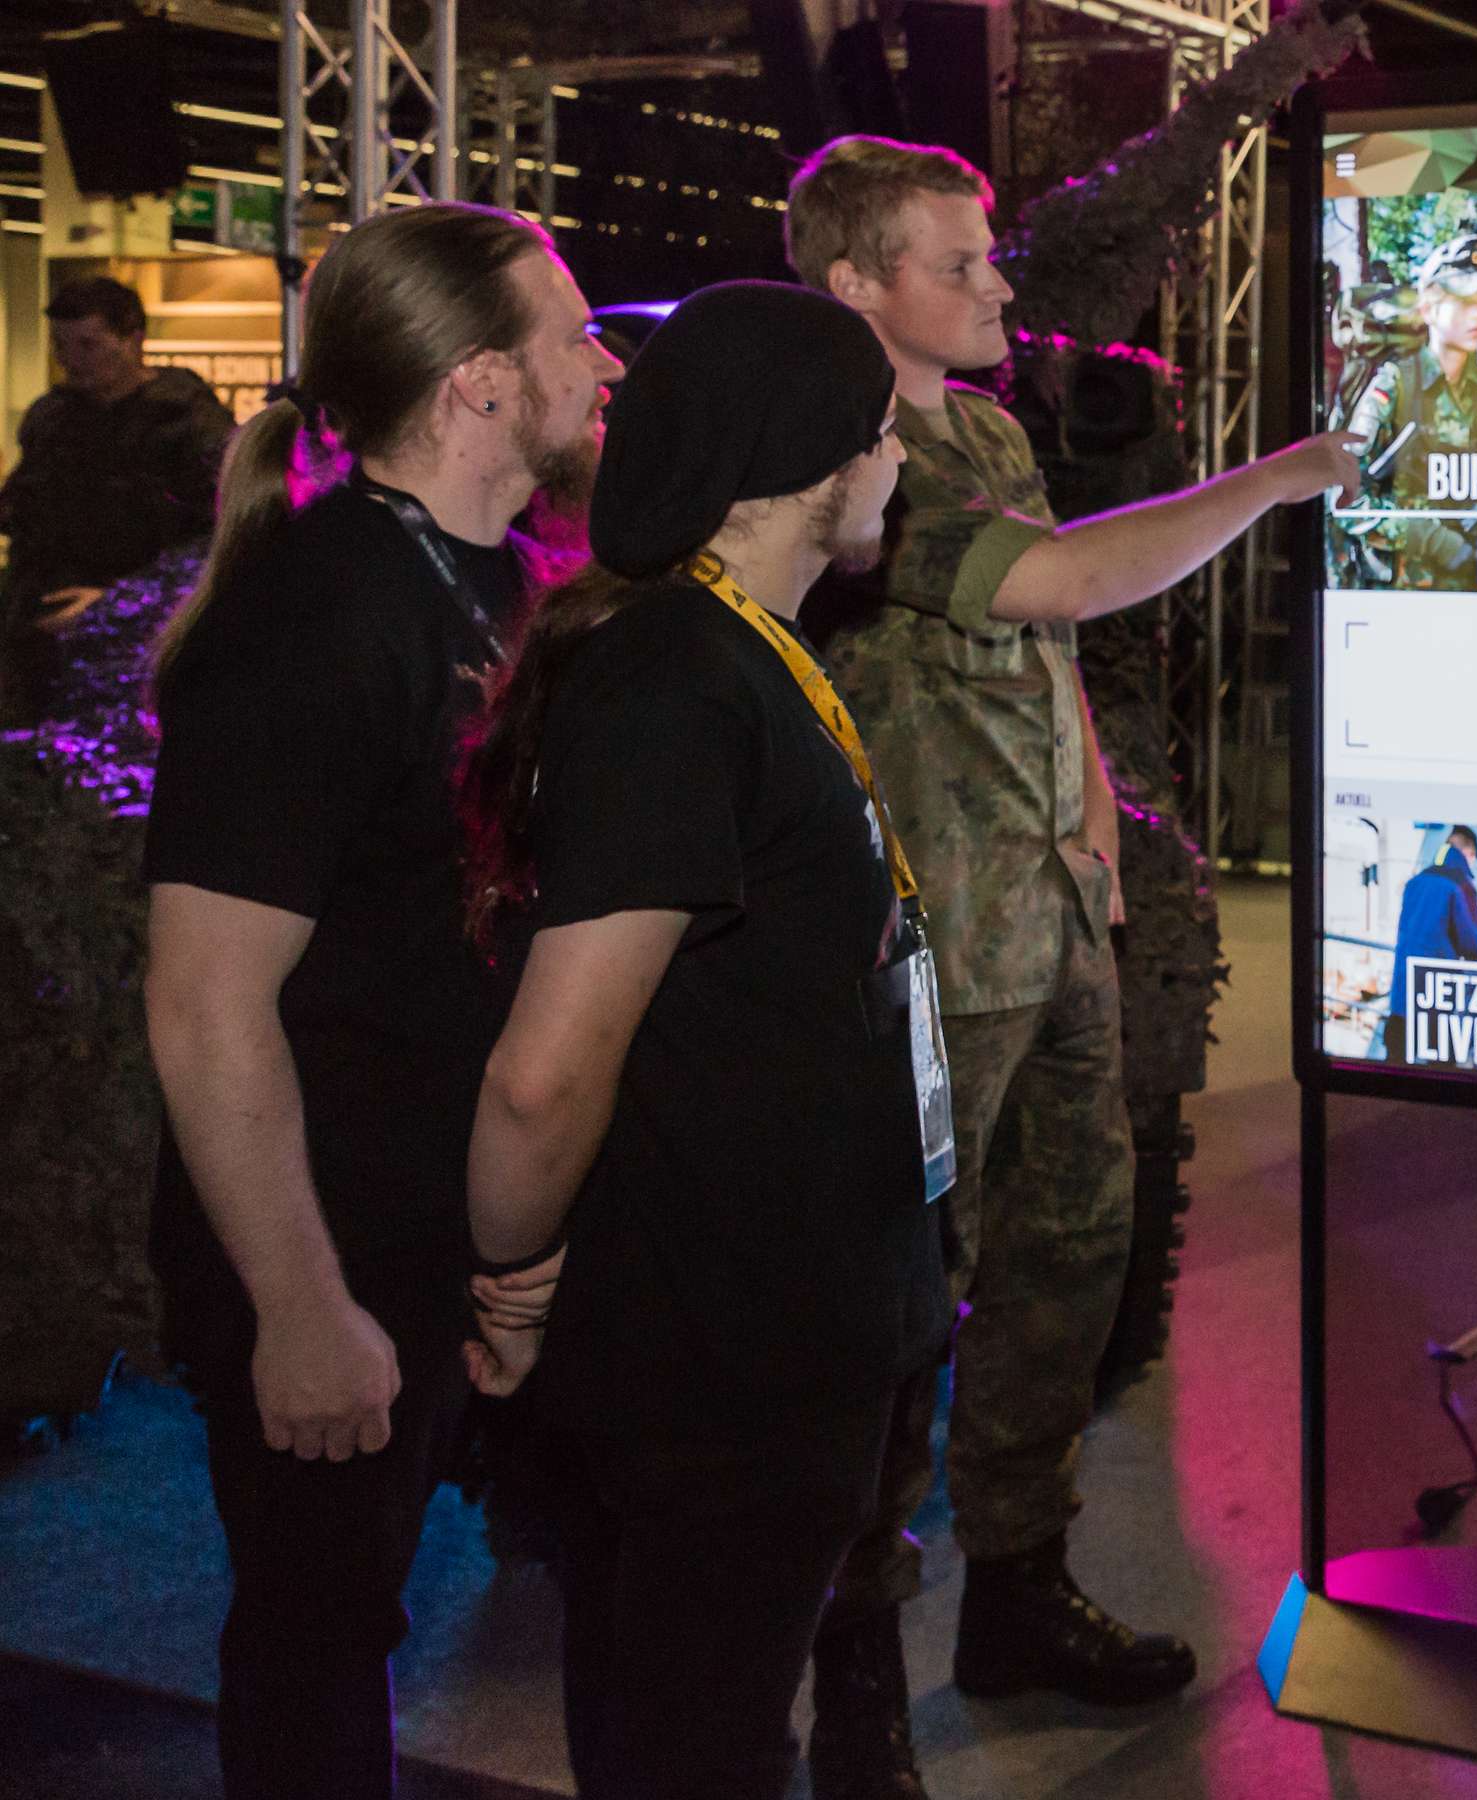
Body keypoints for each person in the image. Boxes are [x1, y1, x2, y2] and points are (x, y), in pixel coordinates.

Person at [782, 134, 1361, 1782]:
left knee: (1073, 1255)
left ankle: (1016, 1592)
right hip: (931, 938)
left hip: (1041, 911)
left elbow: (1036, 646)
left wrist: (1094, 799)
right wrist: (1269, 480)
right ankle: (860, 1676)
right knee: (901, 1311)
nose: (998, 283)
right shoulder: (848, 445)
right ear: (853, 287)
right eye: (957, 263)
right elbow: (1064, 579)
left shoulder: (979, 421)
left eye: (990, 255)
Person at [139, 203, 614, 1800]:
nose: (602, 362)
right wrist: (299, 1305)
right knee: (317, 1646)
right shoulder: (319, 616)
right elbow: (207, 1005)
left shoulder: (498, 580)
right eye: (572, 334)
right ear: (480, 383)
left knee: (373, 1615)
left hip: (436, 1233)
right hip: (320, 1244)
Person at [455, 280, 942, 1800]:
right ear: (817, 463)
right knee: (691, 1750)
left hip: (779, 1335)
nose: (901, 465)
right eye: (882, 436)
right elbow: (546, 1073)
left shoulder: (744, 657)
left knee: (708, 1729)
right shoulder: (678, 677)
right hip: (719, 1364)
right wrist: (515, 1281)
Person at [0, 276, 234, 722]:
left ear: (133, 341)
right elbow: (28, 507)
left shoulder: (188, 424)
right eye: (61, 346)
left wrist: (124, 599)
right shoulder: (53, 416)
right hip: (41, 628)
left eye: (88, 345)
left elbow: (215, 535)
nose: (70, 360)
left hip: (139, 637)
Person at [1344, 235, 1477, 590]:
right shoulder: (1396, 384)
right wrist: (1432, 539)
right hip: (1408, 593)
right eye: (1463, 302)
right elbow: (1348, 498)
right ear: (1427, 308)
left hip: (1475, 584)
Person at [1384, 824, 1477, 1062]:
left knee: (1394, 1071)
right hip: (1435, 1002)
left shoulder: (1416, 881)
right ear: (1469, 854)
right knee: (1443, 1074)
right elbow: (1472, 946)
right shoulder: (1461, 886)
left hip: (1401, 999)